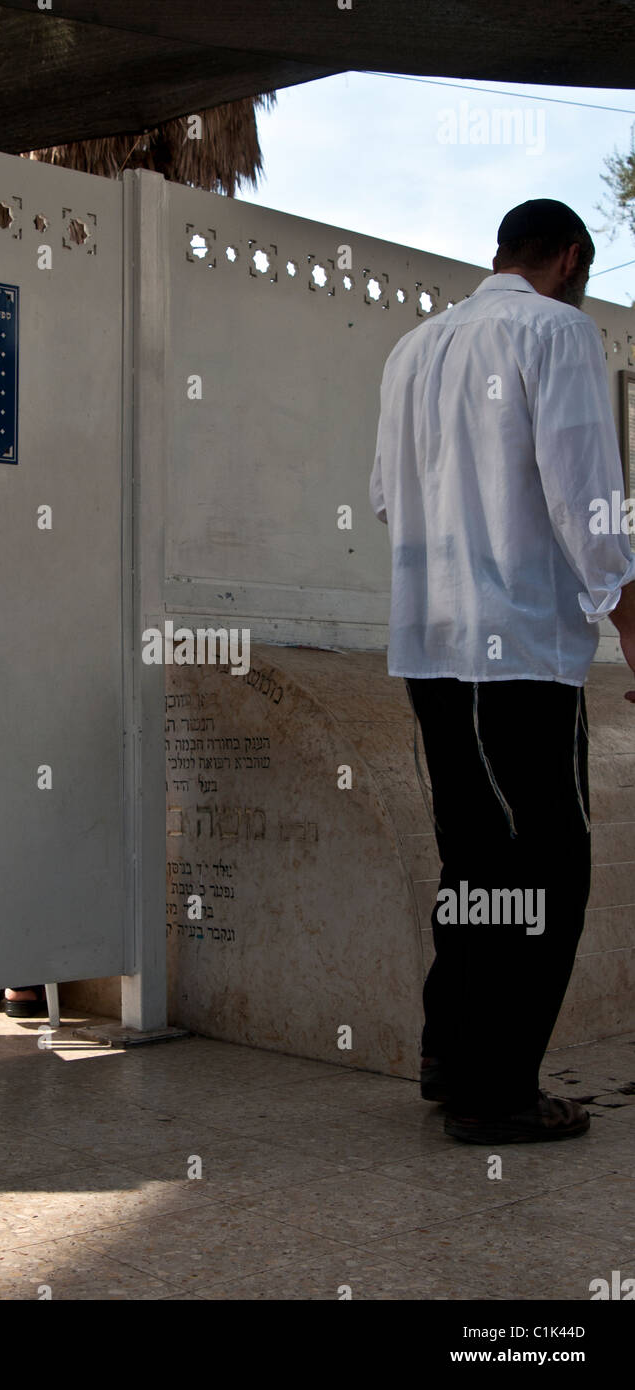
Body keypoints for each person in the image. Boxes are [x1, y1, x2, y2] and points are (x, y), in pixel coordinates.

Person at [370, 198, 635, 1144]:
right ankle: (497, 1092)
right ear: (568, 259)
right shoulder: (556, 332)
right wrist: (632, 626)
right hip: (517, 653)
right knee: (547, 866)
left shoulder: (412, 351)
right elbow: (588, 502)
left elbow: (383, 501)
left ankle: (453, 1054)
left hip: (428, 649)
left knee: (477, 856)